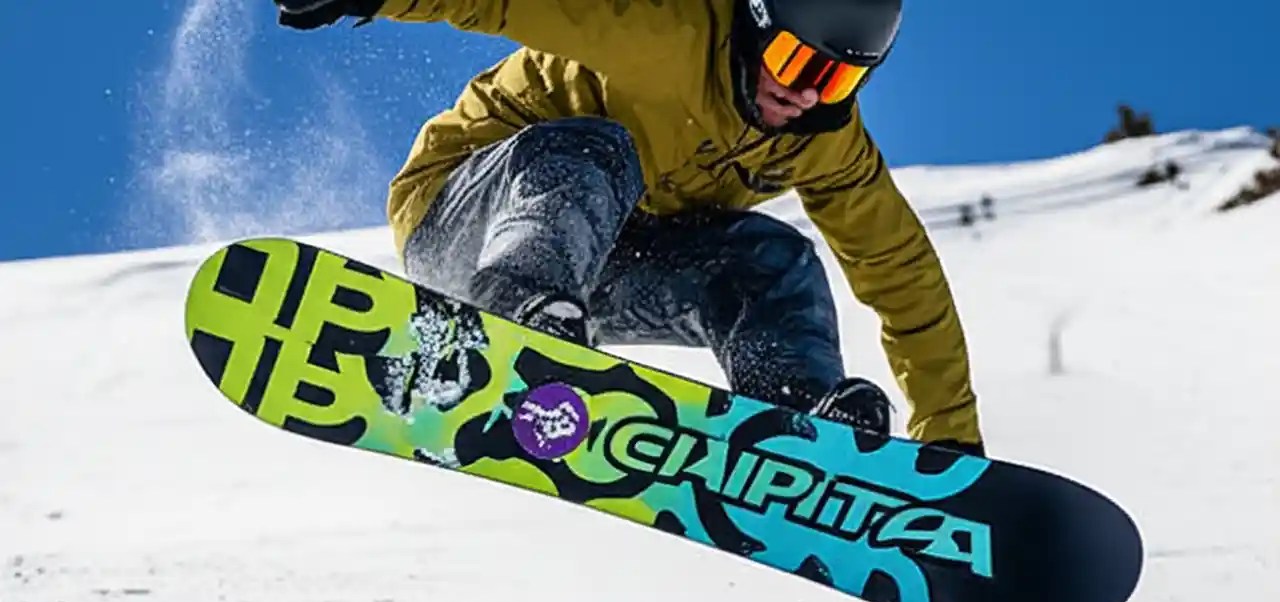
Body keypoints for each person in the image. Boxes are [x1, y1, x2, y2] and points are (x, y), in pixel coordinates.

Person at [272, 0, 985, 457]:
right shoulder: (667, 29)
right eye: (796, 62)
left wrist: (950, 443)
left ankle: (796, 428)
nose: (802, 95)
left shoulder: (823, 143)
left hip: (600, 261)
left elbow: (902, 277)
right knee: (596, 150)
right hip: (470, 218)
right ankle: (519, 324)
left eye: (834, 81)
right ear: (759, 25)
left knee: (772, 257)